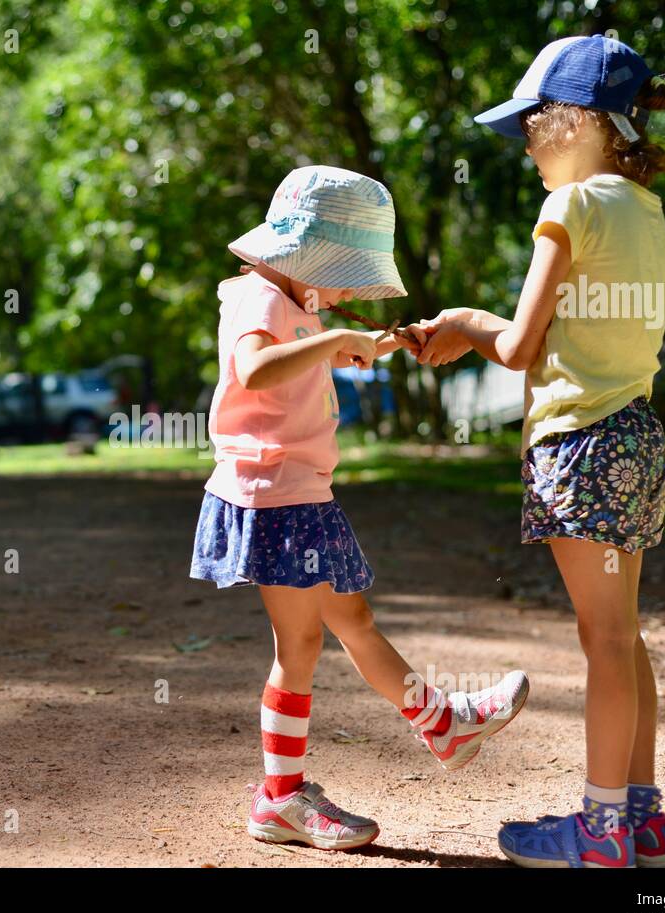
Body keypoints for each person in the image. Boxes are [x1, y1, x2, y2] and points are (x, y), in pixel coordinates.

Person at [191, 165, 530, 851]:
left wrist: (377, 342)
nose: (348, 292)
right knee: (303, 644)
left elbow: (306, 359)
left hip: (301, 493)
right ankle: (281, 798)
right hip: (274, 496)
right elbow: (255, 369)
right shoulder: (256, 298)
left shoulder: (296, 305)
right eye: (345, 274)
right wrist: (328, 340)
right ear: (308, 254)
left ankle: (442, 723)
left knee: (351, 619)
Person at [412, 36, 665, 867]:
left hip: (583, 445)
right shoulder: (648, 212)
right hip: (638, 437)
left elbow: (523, 345)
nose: (526, 146)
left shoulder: (569, 210)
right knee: (624, 637)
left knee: (603, 642)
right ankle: (641, 820)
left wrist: (461, 322)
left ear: (574, 125)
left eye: (531, 127)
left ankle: (599, 836)